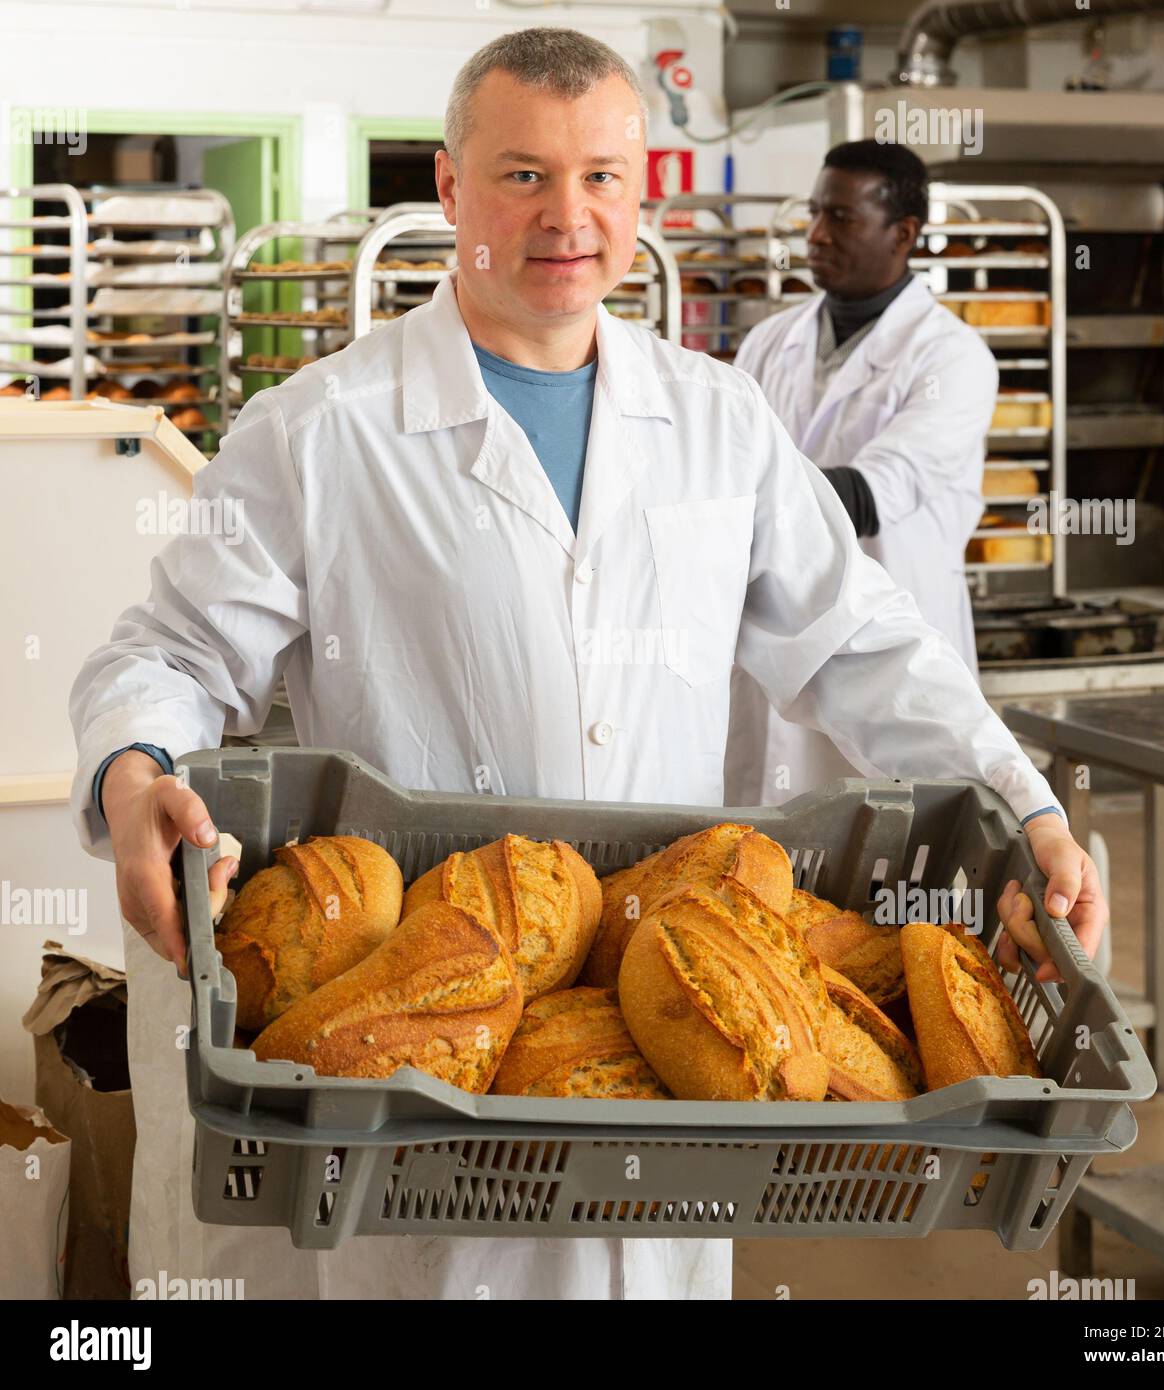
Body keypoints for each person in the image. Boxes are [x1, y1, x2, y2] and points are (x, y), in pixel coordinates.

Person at [69, 27, 1104, 1302]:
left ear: (640, 194)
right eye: (523, 176)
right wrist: (133, 770)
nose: (569, 217)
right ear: (450, 191)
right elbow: (169, 653)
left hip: (658, 1064)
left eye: (604, 178)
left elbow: (862, 642)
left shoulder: (718, 422)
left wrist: (1029, 803)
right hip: (423, 1100)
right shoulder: (319, 431)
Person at [725, 141, 994, 808]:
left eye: (840, 218)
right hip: (775, 640)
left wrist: (728, 505)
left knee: (888, 865)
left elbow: (873, 492)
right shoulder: (768, 341)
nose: (815, 235)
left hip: (886, 642)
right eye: (814, 214)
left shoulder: (952, 358)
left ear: (902, 233)